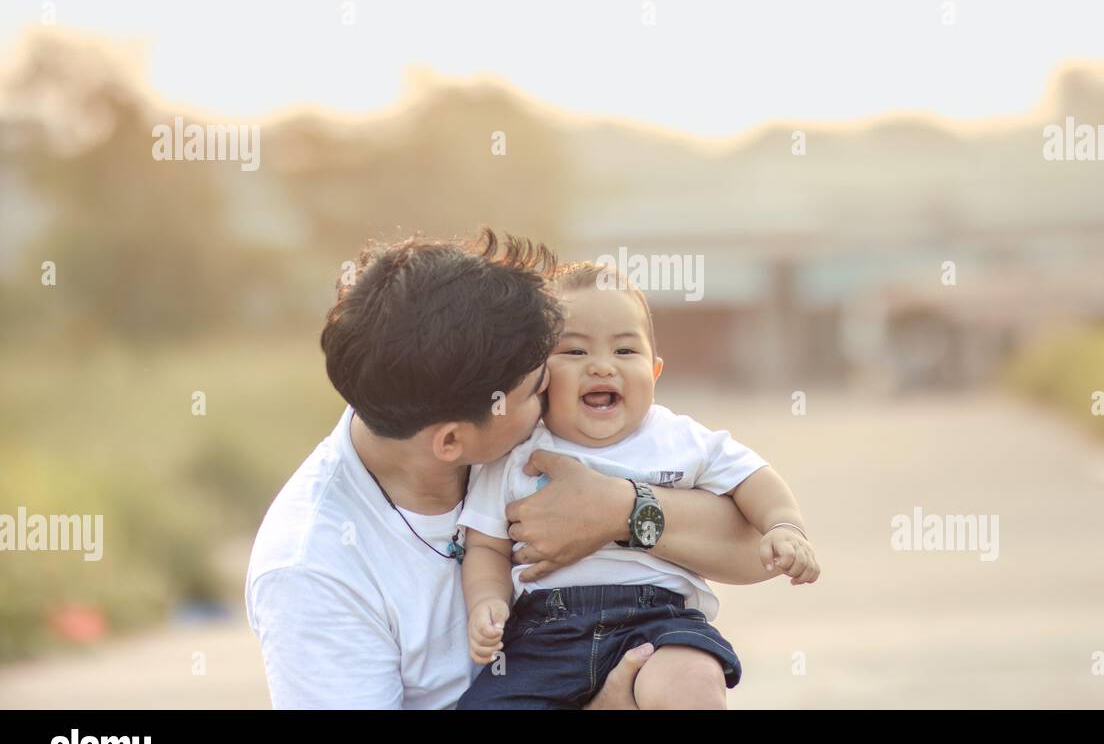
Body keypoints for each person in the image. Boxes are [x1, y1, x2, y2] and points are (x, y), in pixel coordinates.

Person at [244, 229, 770, 709]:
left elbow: (754, 552)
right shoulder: (312, 570)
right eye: (533, 390)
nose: (553, 394)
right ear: (452, 440)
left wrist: (623, 510)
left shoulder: (497, 402)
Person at [457, 261, 819, 709]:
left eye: (625, 352)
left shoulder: (677, 437)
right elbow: (486, 546)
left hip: (658, 620)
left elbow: (752, 475)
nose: (602, 368)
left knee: (691, 679)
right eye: (575, 352)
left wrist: (785, 526)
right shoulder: (515, 452)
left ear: (655, 372)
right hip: (544, 632)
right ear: (540, 377)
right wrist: (486, 603)